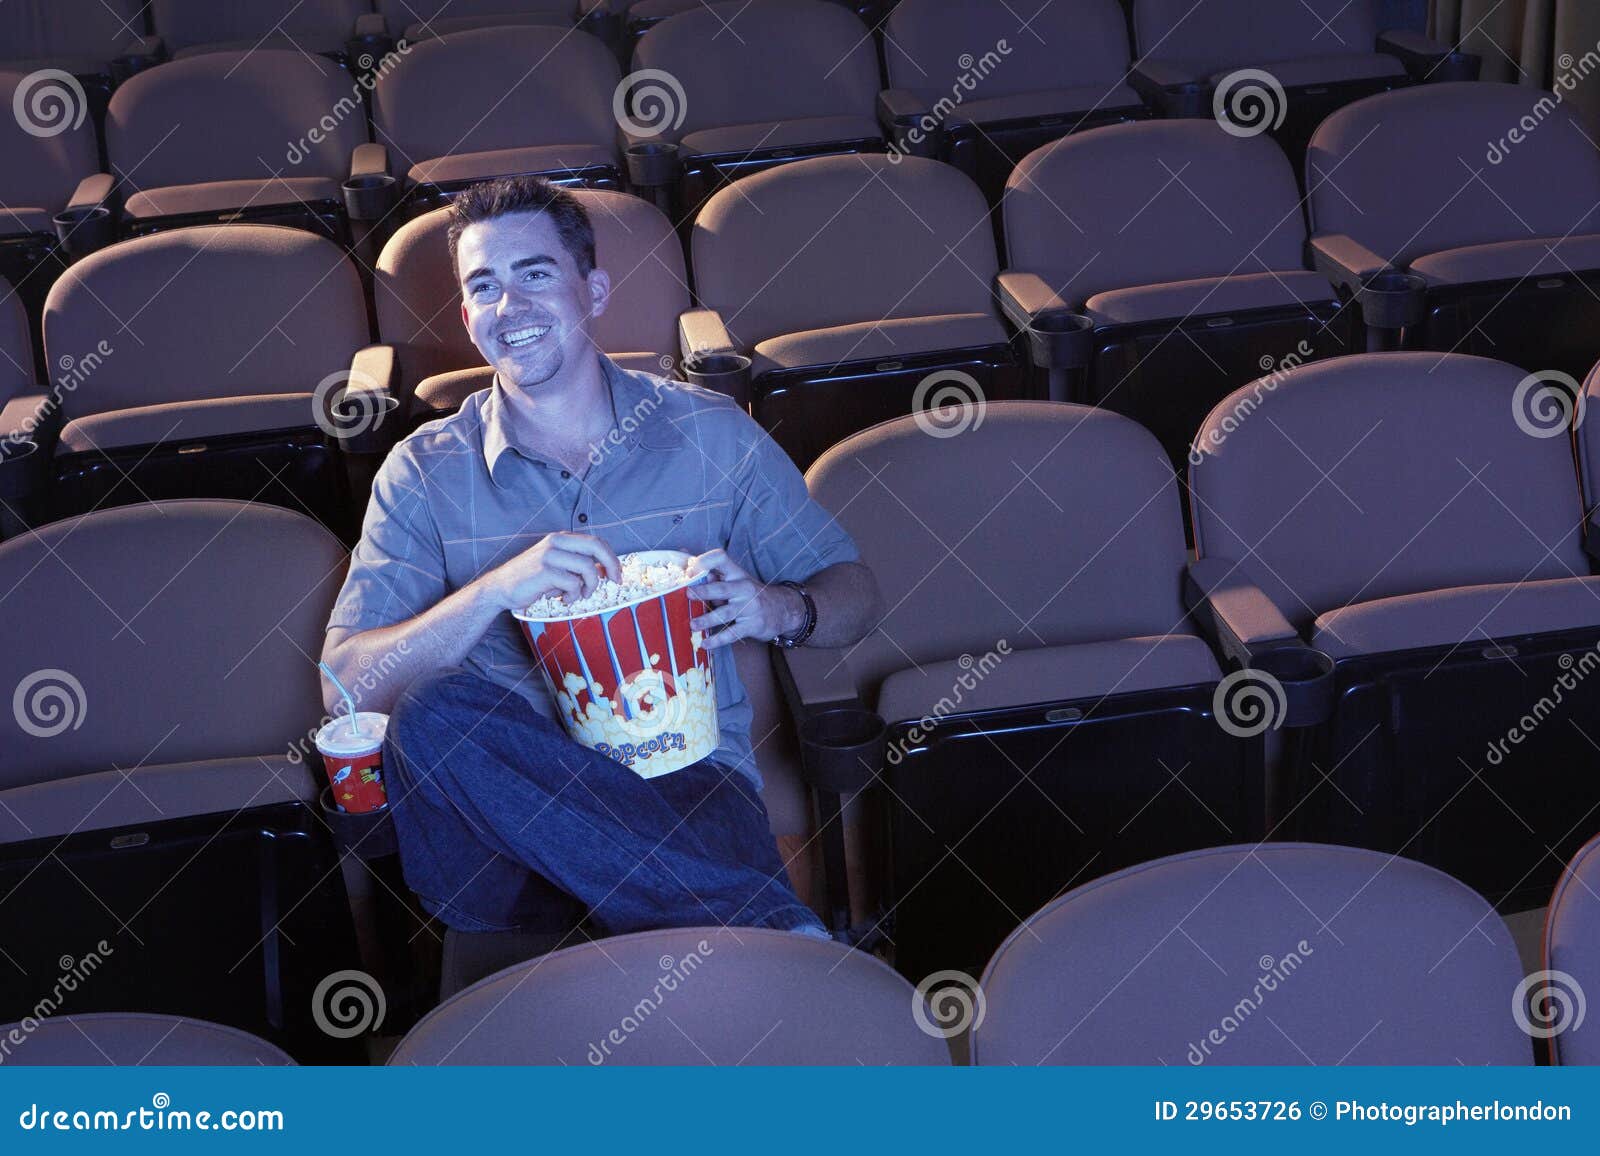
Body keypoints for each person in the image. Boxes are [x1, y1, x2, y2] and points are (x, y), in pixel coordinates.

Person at [320, 175, 882, 941]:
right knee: (428, 713)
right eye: (483, 287)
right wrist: (493, 591)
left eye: (535, 275)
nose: (508, 306)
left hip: (682, 783)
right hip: (500, 833)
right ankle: (763, 927)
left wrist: (778, 606)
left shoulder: (711, 434)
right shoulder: (421, 473)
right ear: (466, 316)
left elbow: (853, 593)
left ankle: (718, 915)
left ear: (593, 289)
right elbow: (348, 690)